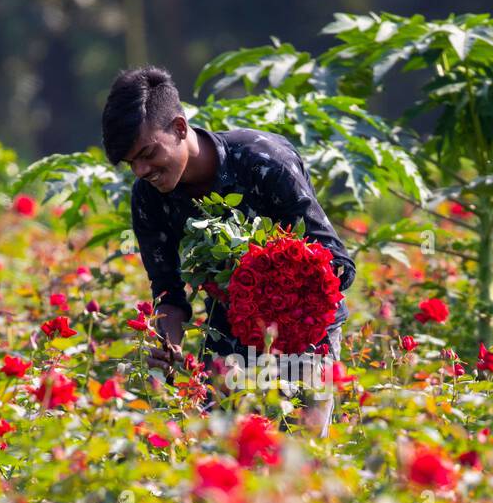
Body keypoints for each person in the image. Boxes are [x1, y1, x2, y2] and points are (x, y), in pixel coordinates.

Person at [101, 66, 356, 436]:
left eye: (148, 153)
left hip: (305, 333)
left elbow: (339, 264)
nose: (141, 170)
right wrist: (168, 343)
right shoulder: (149, 198)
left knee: (301, 454)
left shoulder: (262, 162)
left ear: (179, 128)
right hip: (230, 336)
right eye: (131, 163)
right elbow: (167, 290)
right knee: (223, 452)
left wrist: (273, 272)